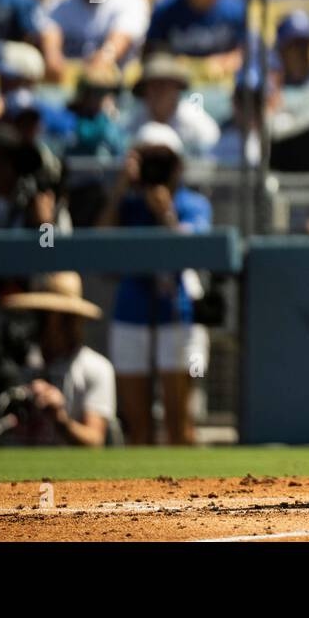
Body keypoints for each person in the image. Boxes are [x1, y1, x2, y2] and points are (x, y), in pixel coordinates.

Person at [99, 122, 210, 445]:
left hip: (177, 312)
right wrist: (121, 188)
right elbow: (100, 239)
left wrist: (167, 214)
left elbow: (194, 249)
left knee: (180, 426)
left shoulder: (192, 203)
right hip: (131, 310)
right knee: (138, 427)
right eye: (149, 159)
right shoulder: (128, 203)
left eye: (163, 160)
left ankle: (186, 493)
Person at [1, 272, 117, 446]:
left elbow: (95, 440)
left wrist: (60, 419)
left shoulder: (96, 367)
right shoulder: (15, 362)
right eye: (40, 315)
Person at [126, 53, 219, 158]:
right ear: (144, 91)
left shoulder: (195, 120)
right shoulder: (135, 120)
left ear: (176, 88)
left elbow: (211, 155)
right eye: (153, 85)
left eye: (164, 85)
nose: (159, 91)